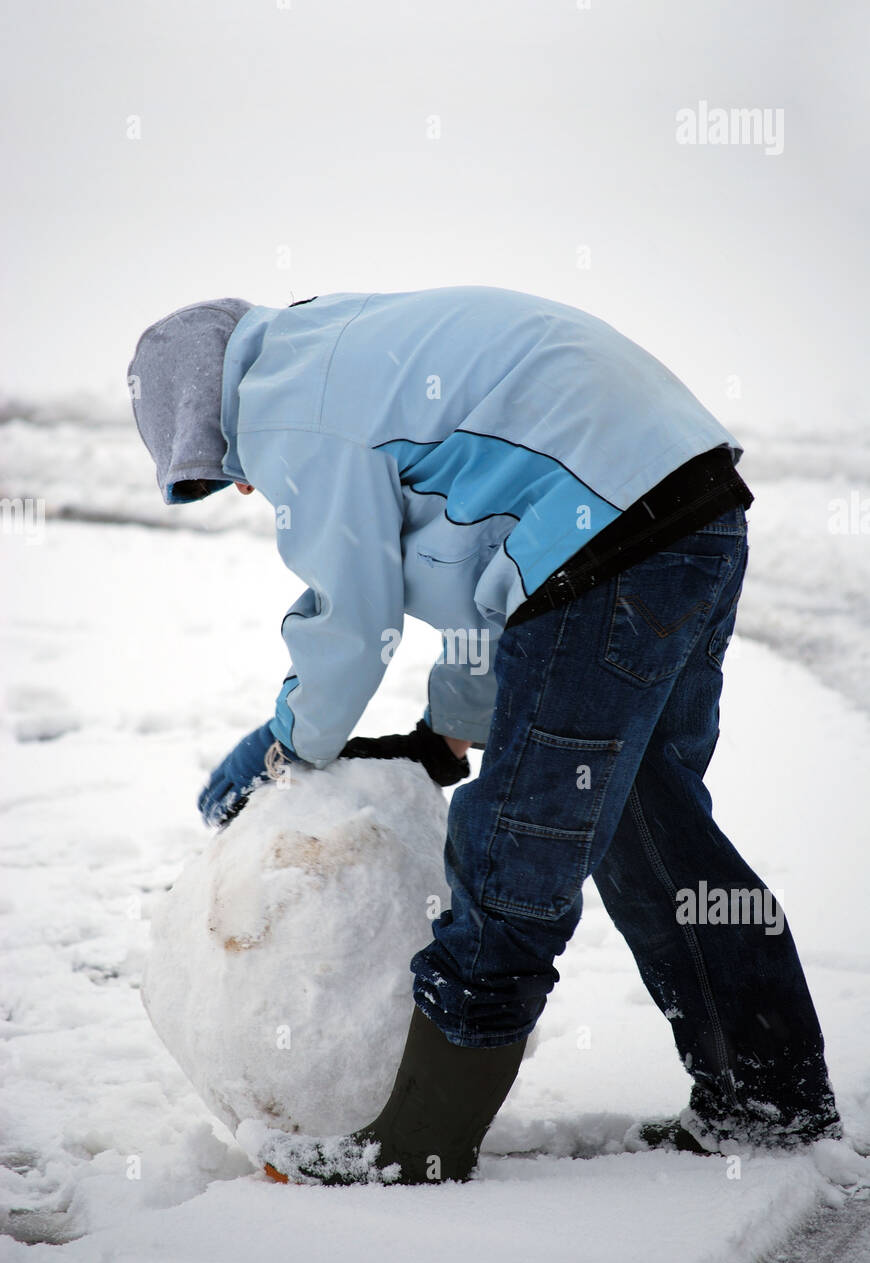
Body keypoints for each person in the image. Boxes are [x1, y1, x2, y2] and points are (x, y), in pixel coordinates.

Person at [128, 286, 841, 1185]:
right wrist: (447, 735)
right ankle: (767, 1097)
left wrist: (286, 744)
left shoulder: (286, 410)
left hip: (606, 542)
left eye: (216, 465)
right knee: (647, 827)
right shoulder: (335, 348)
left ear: (204, 412)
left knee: (512, 851)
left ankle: (420, 1143)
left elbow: (351, 620)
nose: (241, 483)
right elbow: (494, 581)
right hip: (690, 511)